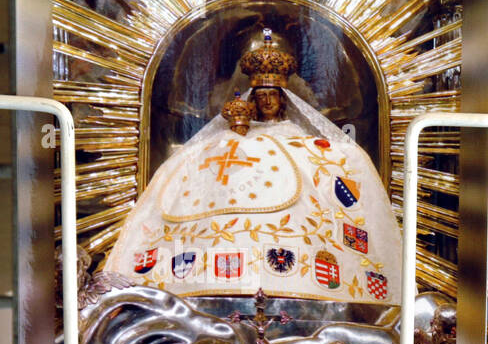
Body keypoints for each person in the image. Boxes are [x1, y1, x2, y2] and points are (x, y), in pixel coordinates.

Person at [103, 28, 400, 305]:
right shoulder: (221, 144)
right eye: (261, 96)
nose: (267, 101)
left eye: (273, 95)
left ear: (285, 99)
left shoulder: (310, 147)